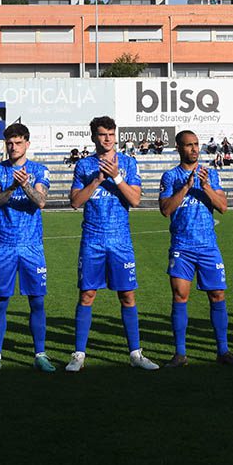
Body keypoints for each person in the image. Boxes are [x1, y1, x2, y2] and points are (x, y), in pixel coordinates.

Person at [67, 115, 158, 372]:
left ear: (115, 136)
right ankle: (79, 355)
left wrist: (117, 177)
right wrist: (96, 180)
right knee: (87, 294)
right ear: (94, 137)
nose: (107, 139)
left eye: (110, 134)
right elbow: (75, 202)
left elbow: (136, 200)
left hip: (121, 241)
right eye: (102, 134)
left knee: (127, 295)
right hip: (92, 240)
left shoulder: (129, 163)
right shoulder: (84, 166)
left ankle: (135, 353)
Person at [158, 130, 233, 367]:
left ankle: (223, 351)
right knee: (180, 296)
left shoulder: (211, 175)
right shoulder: (170, 176)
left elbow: (223, 207)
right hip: (182, 246)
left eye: (196, 145)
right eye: (188, 145)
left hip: (208, 246)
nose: (194, 149)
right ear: (179, 148)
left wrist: (205, 187)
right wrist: (185, 187)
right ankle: (180, 353)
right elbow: (165, 210)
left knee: (217, 295)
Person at [0, 123, 54, 373]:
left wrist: (25, 185)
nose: (13, 147)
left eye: (18, 143)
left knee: (37, 301)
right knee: (0, 301)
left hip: (32, 246)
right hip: (4, 245)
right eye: (9, 143)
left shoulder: (40, 171)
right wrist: (12, 187)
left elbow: (41, 202)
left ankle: (40, 354)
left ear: (27, 144)